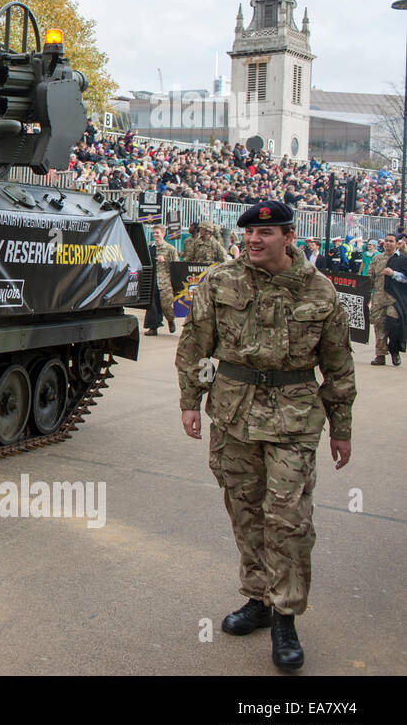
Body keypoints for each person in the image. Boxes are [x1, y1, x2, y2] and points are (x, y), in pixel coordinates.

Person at [175, 200, 355, 671]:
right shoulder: (220, 281)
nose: (254, 240)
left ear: (289, 236)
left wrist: (342, 428)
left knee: (289, 518)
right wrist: (189, 402)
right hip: (233, 413)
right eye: (250, 234)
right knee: (245, 509)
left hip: (293, 418)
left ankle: (286, 615)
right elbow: (194, 343)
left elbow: (338, 367)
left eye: (266, 233)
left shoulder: (321, 291)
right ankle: (257, 598)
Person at [368, 234, 399, 366]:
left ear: (396, 243)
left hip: (394, 300)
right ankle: (380, 355)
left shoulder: (401, 259)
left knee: (394, 326)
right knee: (379, 326)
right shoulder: (377, 258)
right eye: (386, 241)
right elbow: (370, 276)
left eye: (391, 241)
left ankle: (395, 351)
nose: (388, 243)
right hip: (378, 299)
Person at [145, 223, 180, 336]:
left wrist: (165, 260)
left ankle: (170, 320)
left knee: (166, 305)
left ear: (163, 234)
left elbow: (176, 265)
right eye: (154, 233)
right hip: (152, 279)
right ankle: (153, 327)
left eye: (157, 233)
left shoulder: (170, 249)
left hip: (164, 281)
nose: (155, 235)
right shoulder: (150, 247)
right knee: (152, 305)